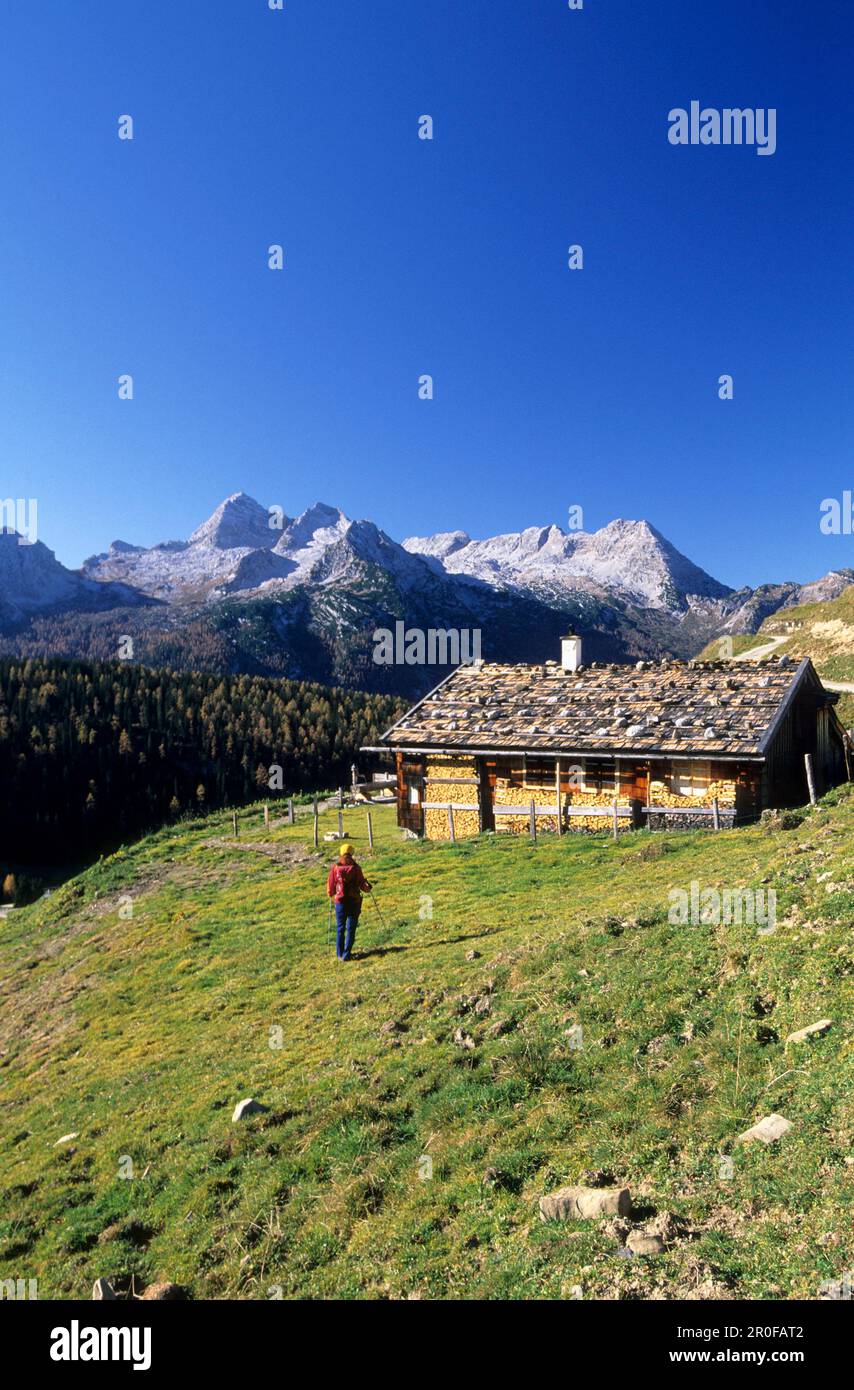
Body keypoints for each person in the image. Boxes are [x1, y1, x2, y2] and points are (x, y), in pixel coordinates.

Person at [327, 842, 372, 961]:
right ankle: (347, 955)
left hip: (340, 902)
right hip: (354, 901)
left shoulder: (335, 868)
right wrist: (368, 888)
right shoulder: (356, 868)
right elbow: (363, 886)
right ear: (352, 854)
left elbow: (330, 888)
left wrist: (332, 896)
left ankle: (339, 954)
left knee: (340, 928)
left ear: (341, 854)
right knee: (351, 928)